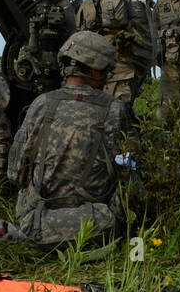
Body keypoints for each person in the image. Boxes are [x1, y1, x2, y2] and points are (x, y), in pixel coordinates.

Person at [8, 31, 133, 246]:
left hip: (37, 225)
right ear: (94, 69)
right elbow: (129, 175)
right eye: (106, 72)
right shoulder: (115, 109)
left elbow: (15, 173)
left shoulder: (41, 104)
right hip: (97, 227)